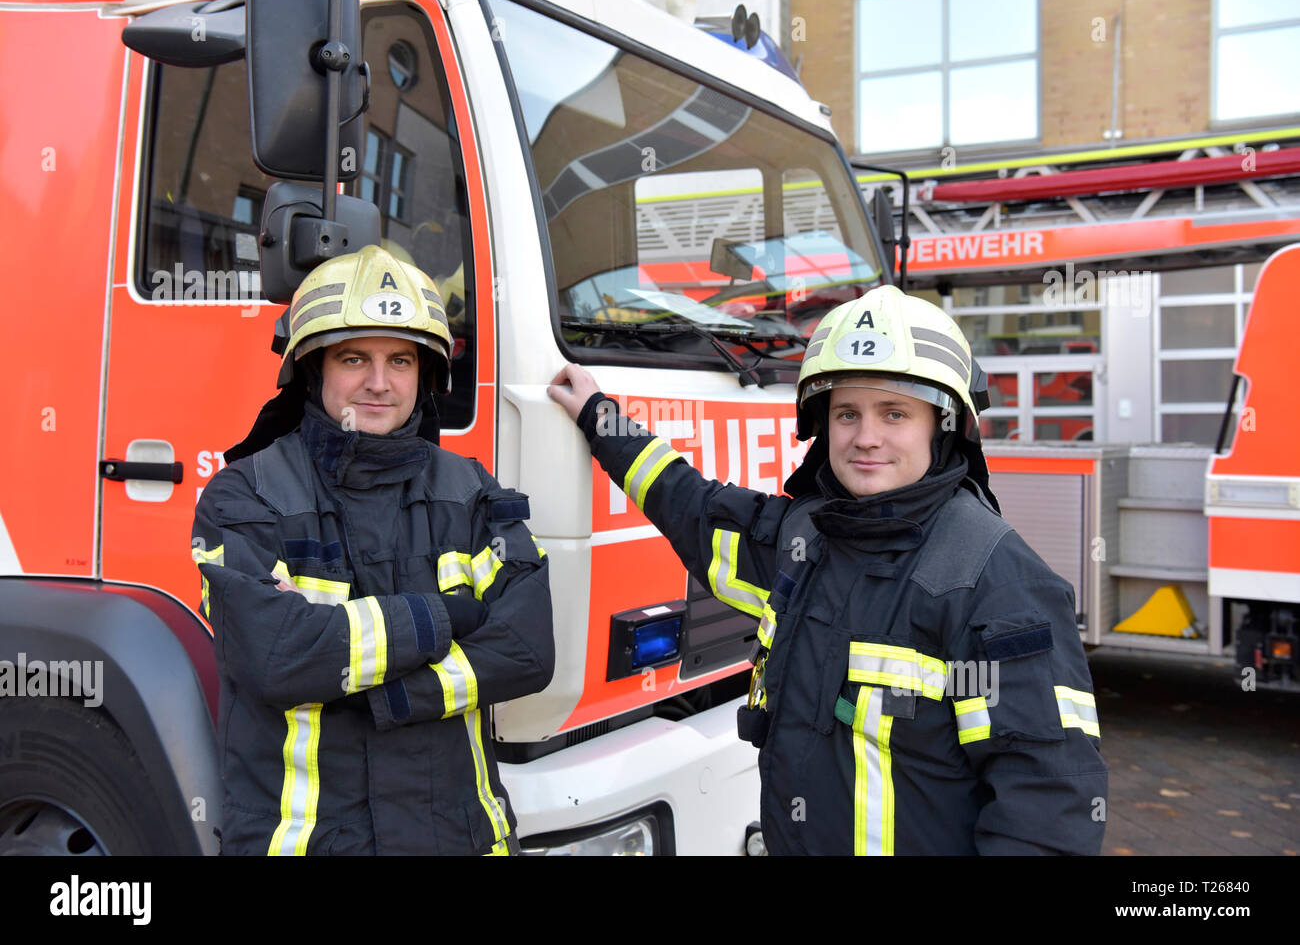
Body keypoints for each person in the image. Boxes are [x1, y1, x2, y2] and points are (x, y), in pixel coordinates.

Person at [549, 285, 1107, 855]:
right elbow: (688, 503)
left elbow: (1047, 813)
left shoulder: (999, 586)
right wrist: (601, 419)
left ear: (941, 426)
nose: (866, 438)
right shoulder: (807, 540)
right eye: (847, 413)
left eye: (894, 413)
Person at [192, 244, 553, 855]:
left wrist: (386, 690)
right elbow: (275, 654)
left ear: (426, 375)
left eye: (402, 360)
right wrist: (449, 617)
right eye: (354, 357)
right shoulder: (244, 495)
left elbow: (526, 650)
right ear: (313, 370)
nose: (379, 383)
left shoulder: (471, 491)